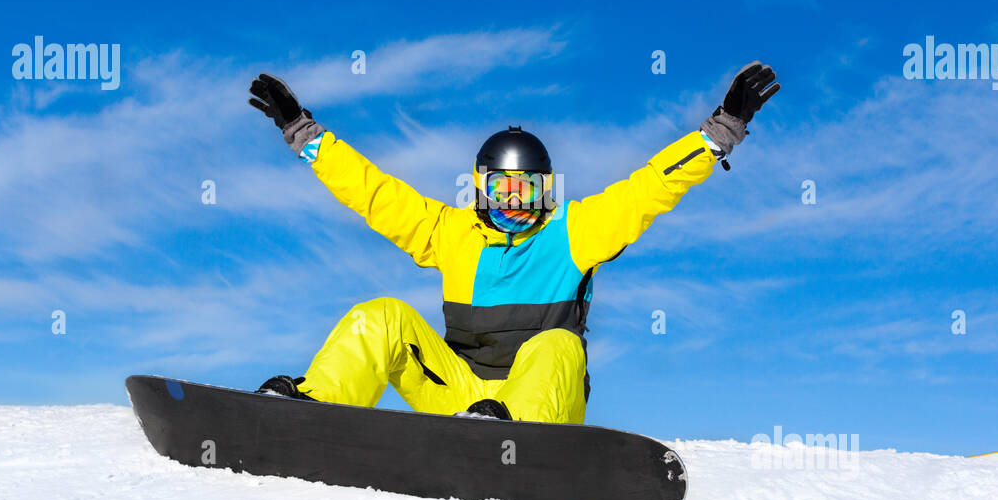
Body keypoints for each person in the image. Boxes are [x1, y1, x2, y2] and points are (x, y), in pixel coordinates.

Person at [247, 61, 779, 423]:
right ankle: (310, 411)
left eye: (527, 190)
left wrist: (720, 132)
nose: (514, 202)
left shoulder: (574, 231)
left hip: (539, 406)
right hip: (460, 401)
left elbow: (649, 188)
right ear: (480, 189)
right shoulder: (450, 233)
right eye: (502, 189)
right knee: (381, 315)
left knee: (558, 343)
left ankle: (511, 435)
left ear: (546, 190)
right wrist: (304, 134)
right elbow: (375, 194)